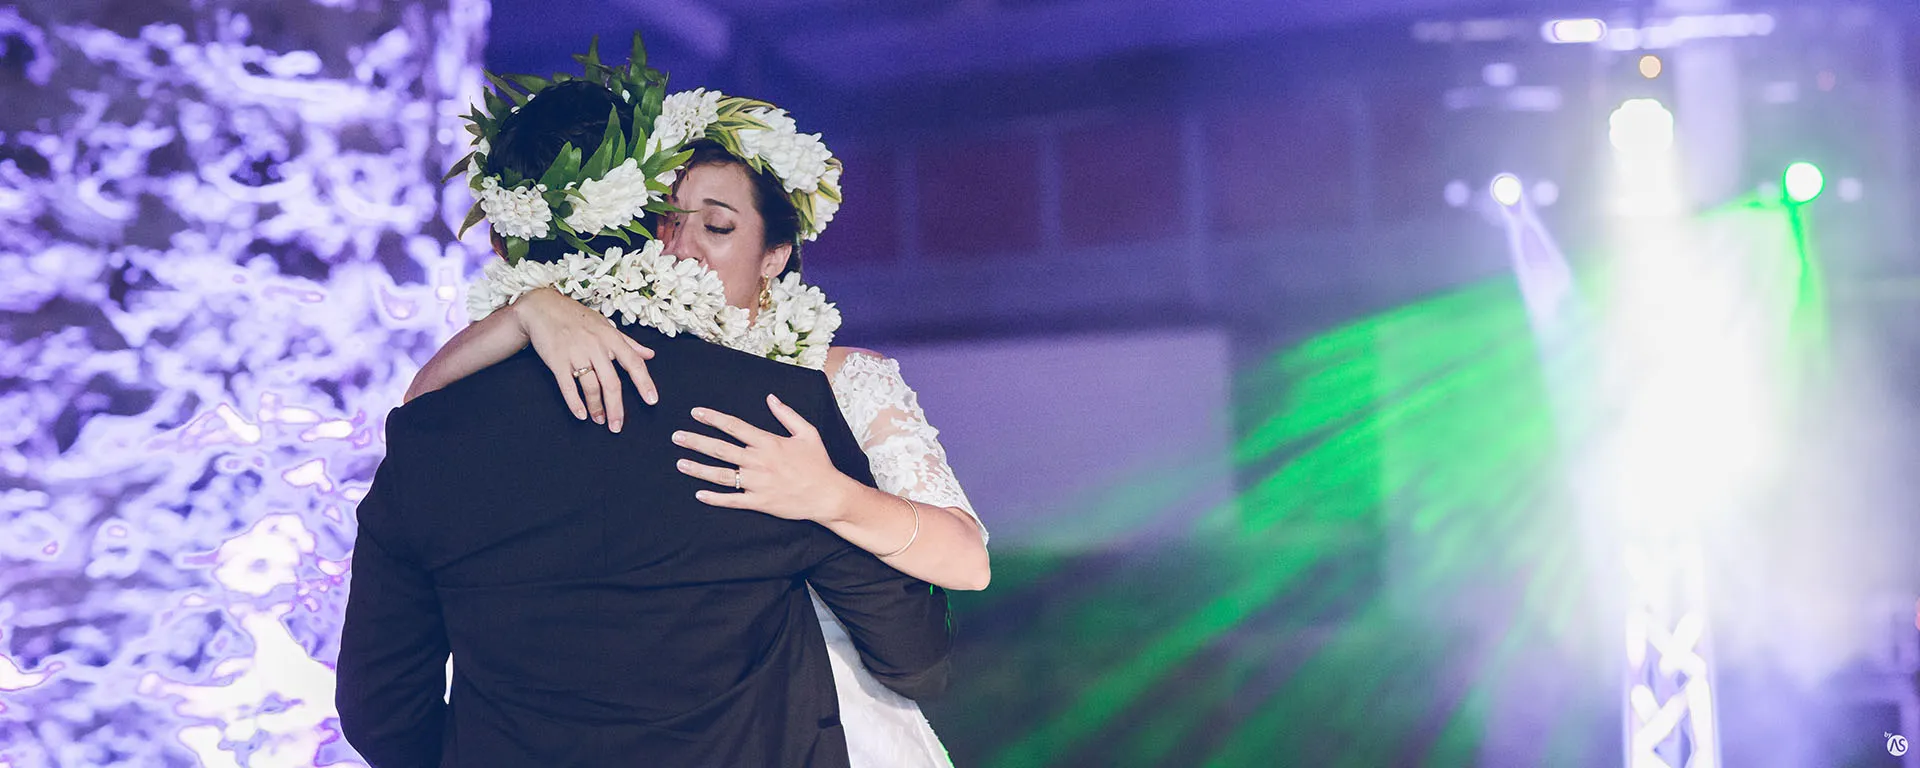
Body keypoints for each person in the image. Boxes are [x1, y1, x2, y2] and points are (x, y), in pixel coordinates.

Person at [334, 77, 953, 768]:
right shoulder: (772, 409)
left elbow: (379, 707)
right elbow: (914, 656)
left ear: (505, 240)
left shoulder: (430, 434)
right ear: (654, 212)